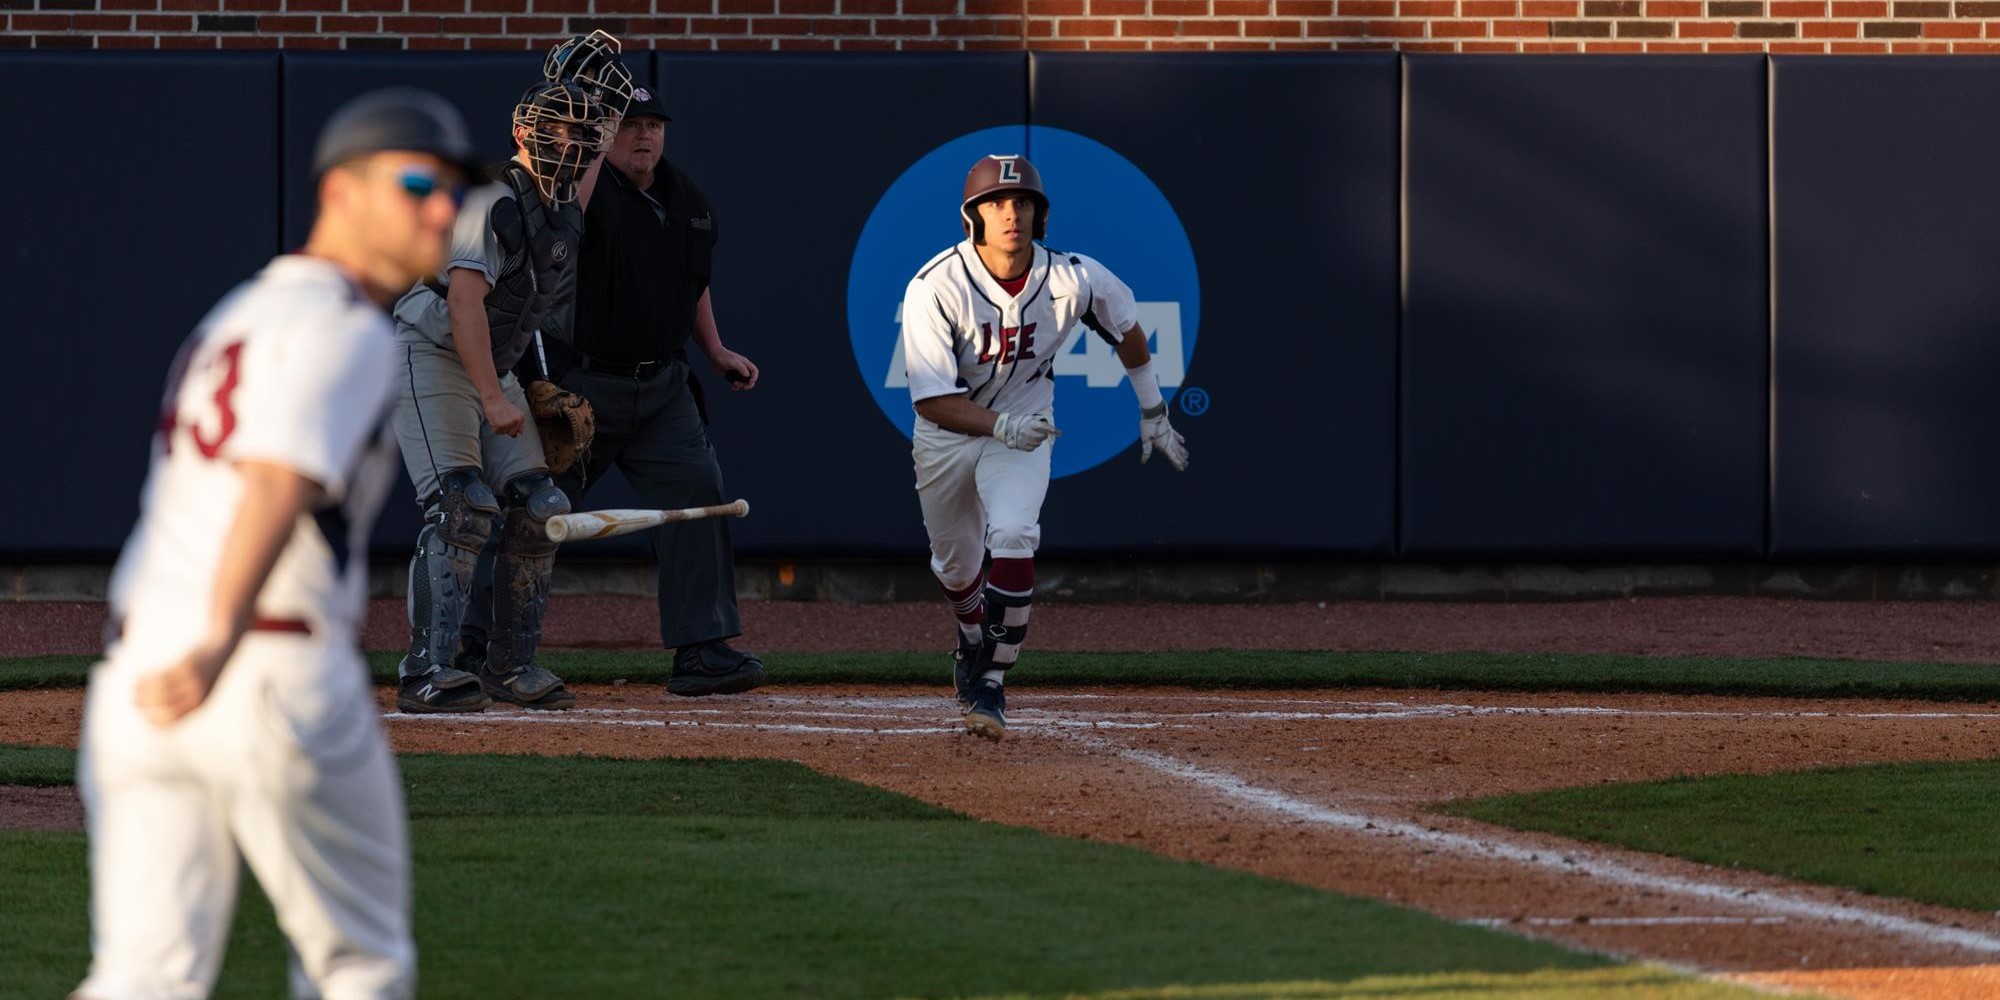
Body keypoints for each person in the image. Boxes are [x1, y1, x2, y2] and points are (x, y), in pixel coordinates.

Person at [73, 88, 478, 1000]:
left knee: (143, 977)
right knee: (360, 963)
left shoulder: (238, 313)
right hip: (264, 663)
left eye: (454, 187)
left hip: (136, 680)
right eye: (417, 182)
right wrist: (221, 634)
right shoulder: (346, 327)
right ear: (340, 192)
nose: (444, 207)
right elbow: (276, 477)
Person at [897, 154, 1191, 741]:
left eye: (1023, 202)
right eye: (997, 203)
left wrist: (1153, 407)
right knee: (954, 565)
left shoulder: (1073, 276)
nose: (1012, 213)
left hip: (1027, 425)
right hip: (949, 435)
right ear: (973, 217)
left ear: (1041, 214)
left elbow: (1127, 329)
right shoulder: (933, 286)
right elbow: (930, 402)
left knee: (1011, 535)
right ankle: (972, 636)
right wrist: (1000, 427)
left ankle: (992, 681)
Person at [389, 76, 615, 713]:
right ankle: (427, 670)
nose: (573, 144)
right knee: (461, 506)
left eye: (583, 134)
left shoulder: (563, 198)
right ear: (526, 134)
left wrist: (607, 107)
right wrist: (493, 399)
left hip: (493, 359)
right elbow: (463, 304)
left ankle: (511, 666)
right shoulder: (490, 198)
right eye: (561, 131)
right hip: (432, 351)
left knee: (542, 506)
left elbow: (591, 164)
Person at [540, 83, 766, 697]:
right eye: (629, 123)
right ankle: (484, 645)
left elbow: (691, 283)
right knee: (533, 508)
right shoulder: (587, 188)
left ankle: (702, 650)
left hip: (663, 384)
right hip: (583, 383)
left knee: (698, 490)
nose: (644, 135)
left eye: (654, 124)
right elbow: (564, 220)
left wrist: (714, 350)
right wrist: (585, 134)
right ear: (604, 134)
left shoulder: (687, 198)